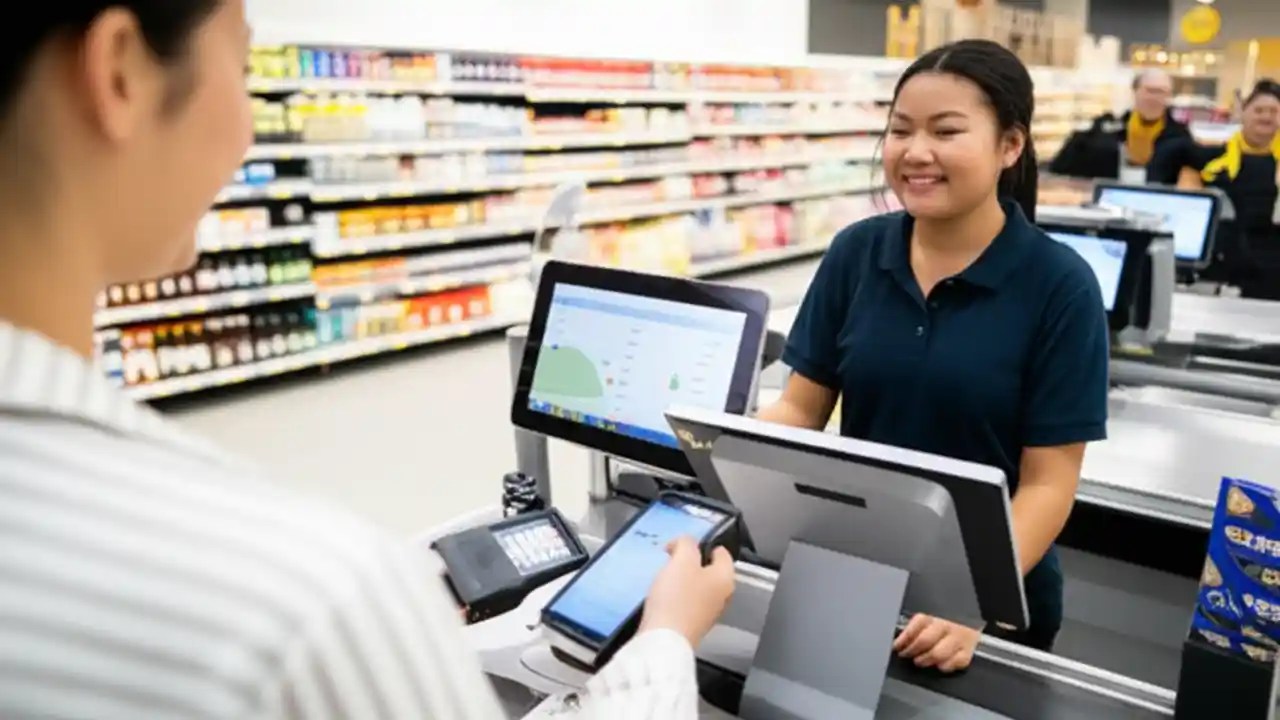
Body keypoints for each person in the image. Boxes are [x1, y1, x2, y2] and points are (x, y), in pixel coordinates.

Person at [0, 2, 736, 718]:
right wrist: (666, 642)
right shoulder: (302, 606)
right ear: (121, 72)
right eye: (243, 59)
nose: (251, 122)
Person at [759, 39, 1110, 673]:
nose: (915, 152)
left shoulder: (1060, 285)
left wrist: (973, 596)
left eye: (946, 131)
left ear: (1011, 146)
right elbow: (799, 408)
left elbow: (1049, 483)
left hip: (994, 604)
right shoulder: (856, 253)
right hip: (856, 568)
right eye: (900, 130)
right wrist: (725, 462)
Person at [1149, 80, 1280, 298]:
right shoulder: (1214, 156)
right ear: (1243, 113)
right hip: (1223, 268)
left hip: (1272, 271)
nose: (1265, 117)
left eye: (1274, 111)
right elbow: (1165, 156)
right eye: (1259, 110)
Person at [1048, 68, 1190, 182]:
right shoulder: (1103, 132)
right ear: (1134, 92)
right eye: (1150, 90)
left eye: (1162, 92)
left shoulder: (1180, 139)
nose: (1154, 98)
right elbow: (1059, 170)